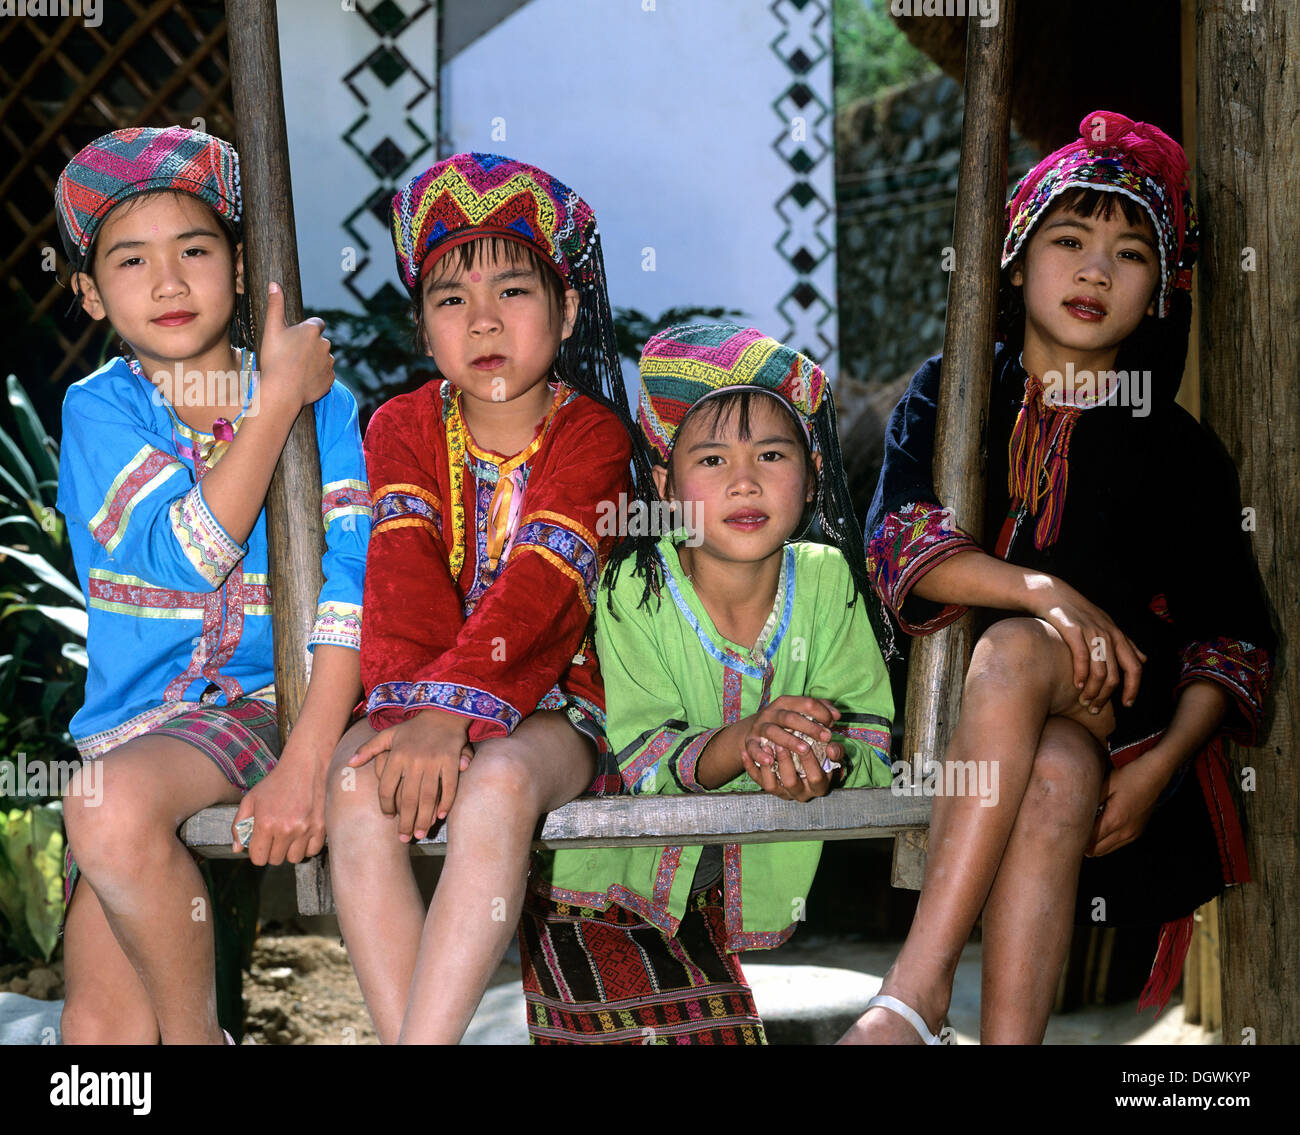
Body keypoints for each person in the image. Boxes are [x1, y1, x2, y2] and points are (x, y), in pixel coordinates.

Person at [844, 110, 1275, 1045]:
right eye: (1069, 241)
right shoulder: (956, 393)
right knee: (1044, 762)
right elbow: (899, 543)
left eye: (1129, 254)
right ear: (1013, 258)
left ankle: (912, 993)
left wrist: (1160, 770)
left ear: (1160, 289)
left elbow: (1231, 642)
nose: (1094, 271)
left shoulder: (1176, 447)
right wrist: (1040, 590)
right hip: (991, 723)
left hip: (1125, 720)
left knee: (1012, 659)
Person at [53, 126, 370, 1044]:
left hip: (280, 705)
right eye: (129, 260)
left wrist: (310, 758)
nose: (167, 281)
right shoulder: (101, 410)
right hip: (139, 733)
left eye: (194, 249)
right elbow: (188, 555)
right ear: (87, 291)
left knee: (105, 809)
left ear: (240, 264)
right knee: (97, 1034)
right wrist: (270, 403)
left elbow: (349, 592)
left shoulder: (327, 408)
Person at [325, 153, 649, 1044]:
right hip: (418, 688)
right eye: (450, 300)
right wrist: (421, 714)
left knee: (499, 784)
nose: (482, 321)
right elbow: (400, 583)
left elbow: (544, 593)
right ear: (424, 326)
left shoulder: (592, 434)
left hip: (560, 704)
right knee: (353, 782)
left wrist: (452, 715)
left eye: (513, 291)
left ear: (568, 310)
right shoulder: (400, 426)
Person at [522, 323, 895, 1043]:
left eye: (773, 454)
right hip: (602, 897)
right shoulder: (638, 584)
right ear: (664, 484)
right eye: (713, 457)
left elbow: (872, 743)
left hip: (722, 909)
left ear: (812, 474)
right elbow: (644, 756)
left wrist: (823, 754)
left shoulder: (825, 581)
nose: (745, 480)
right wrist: (748, 742)